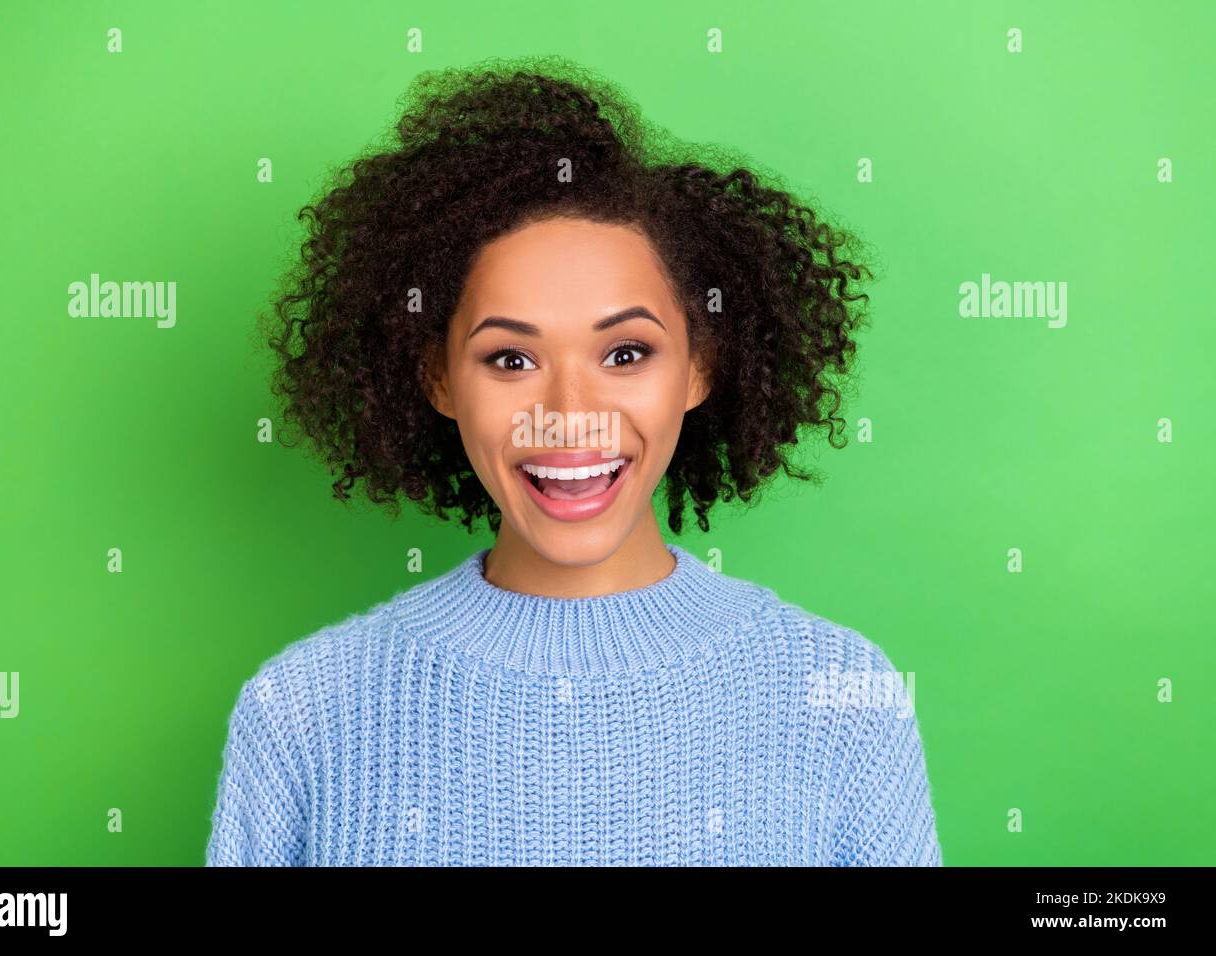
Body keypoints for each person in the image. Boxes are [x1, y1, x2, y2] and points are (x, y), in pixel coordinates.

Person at [206, 56, 942, 866]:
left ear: (700, 368)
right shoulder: (302, 711)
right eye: (510, 360)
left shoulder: (841, 696)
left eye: (626, 353)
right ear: (437, 379)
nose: (571, 415)